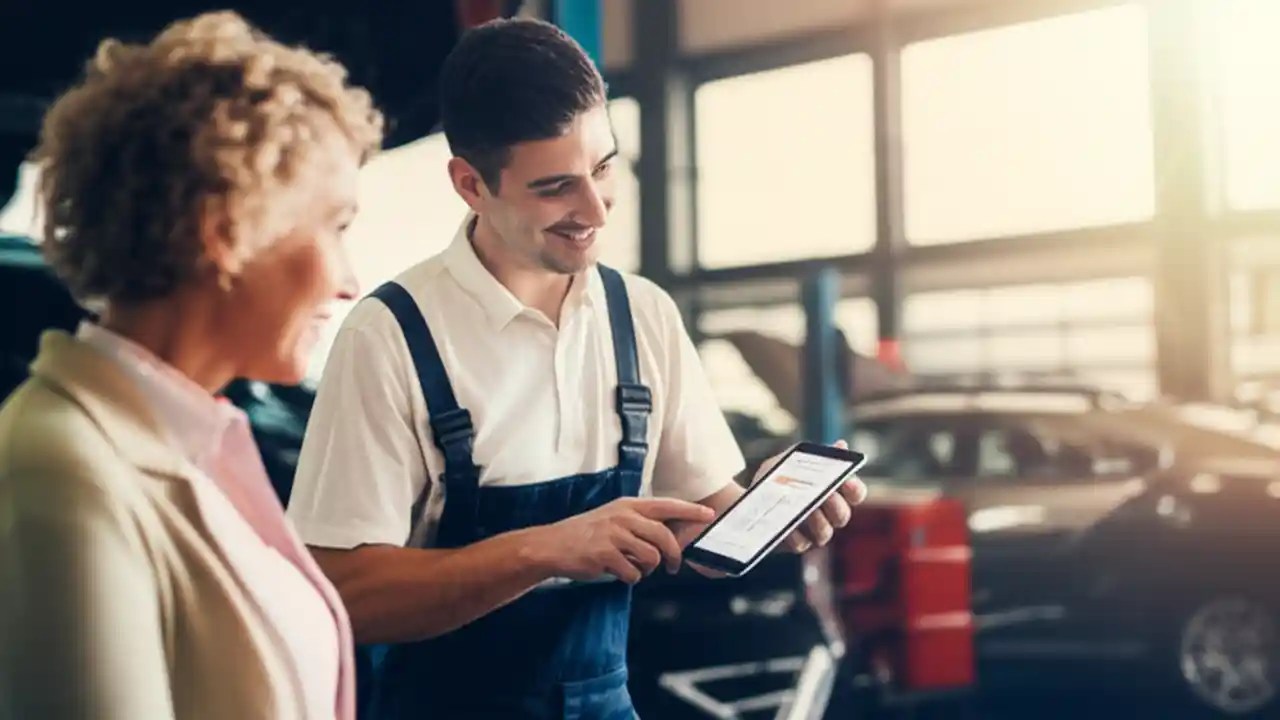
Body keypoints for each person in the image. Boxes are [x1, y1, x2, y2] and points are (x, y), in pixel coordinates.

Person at [287, 18, 867, 720]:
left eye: (602, 166)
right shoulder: (390, 337)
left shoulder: (642, 316)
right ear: (471, 184)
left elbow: (700, 534)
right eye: (556, 185)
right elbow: (345, 594)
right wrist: (545, 550)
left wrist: (767, 515)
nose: (594, 209)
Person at [0, 12, 382, 720]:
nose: (348, 281)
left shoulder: (188, 440)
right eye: (335, 225)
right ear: (228, 225)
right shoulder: (59, 467)